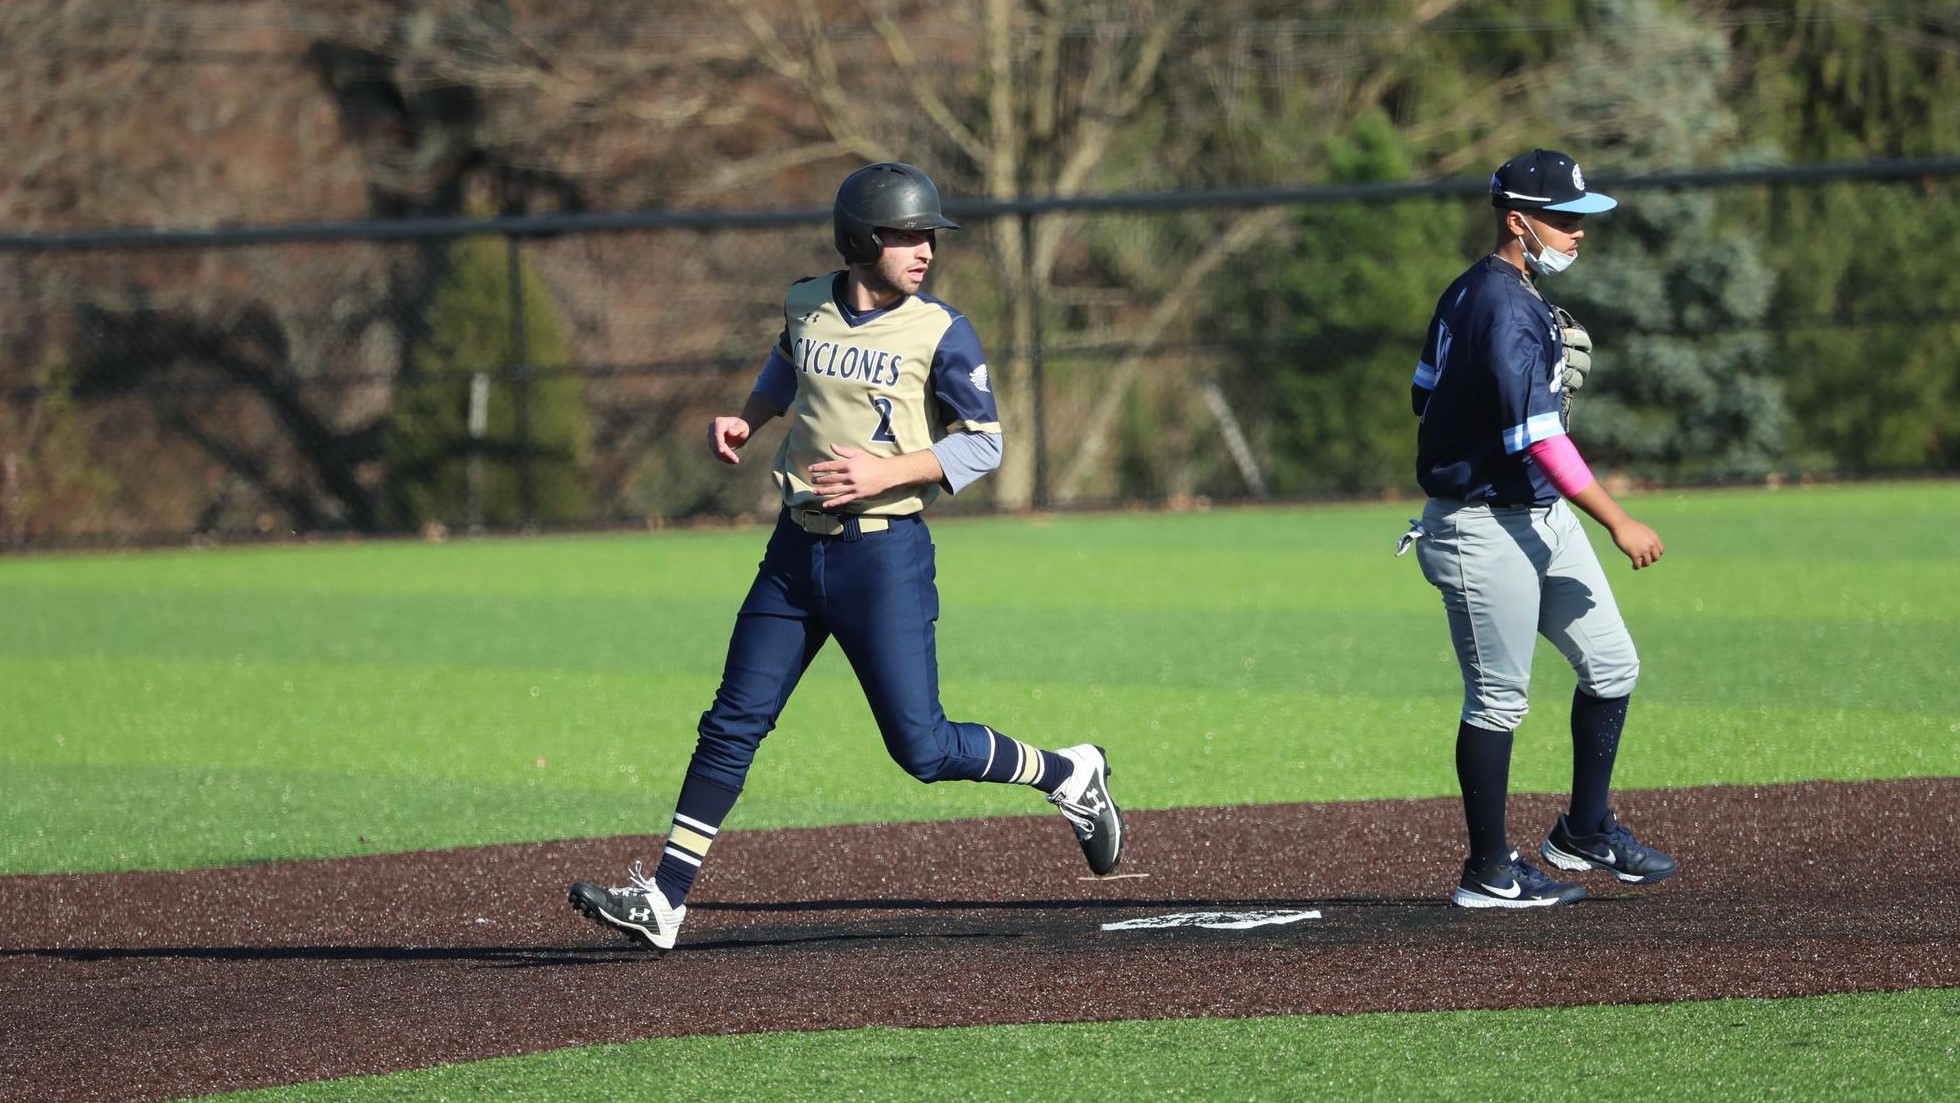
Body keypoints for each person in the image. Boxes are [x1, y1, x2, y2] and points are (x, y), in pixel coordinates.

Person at [568, 162, 1124, 950]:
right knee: (731, 723)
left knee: (922, 750)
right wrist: (750, 417)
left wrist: (886, 472)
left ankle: (1068, 774)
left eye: (928, 234)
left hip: (883, 557)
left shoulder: (941, 330)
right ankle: (665, 899)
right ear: (862, 238)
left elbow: (987, 443)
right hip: (795, 553)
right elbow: (787, 363)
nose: (924, 247)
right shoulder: (806, 302)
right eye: (905, 233)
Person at [1404, 148, 1678, 909]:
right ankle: (1489, 871)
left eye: (1581, 218)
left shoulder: (1477, 293)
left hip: (1538, 515)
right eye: (1562, 219)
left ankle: (1584, 829)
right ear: (1517, 221)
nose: (1577, 232)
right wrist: (1619, 518)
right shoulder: (1503, 304)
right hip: (1480, 526)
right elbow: (1538, 440)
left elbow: (1426, 397)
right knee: (1498, 701)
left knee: (1614, 665)